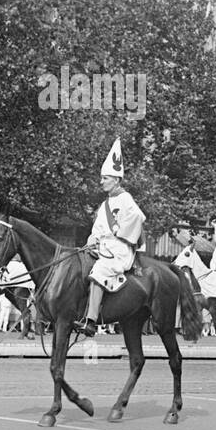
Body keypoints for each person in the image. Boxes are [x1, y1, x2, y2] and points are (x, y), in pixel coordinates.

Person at [77, 139, 146, 339]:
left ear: (116, 180)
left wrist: (119, 230)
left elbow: (137, 218)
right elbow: (97, 228)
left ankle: (91, 321)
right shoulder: (104, 204)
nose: (101, 182)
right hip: (103, 247)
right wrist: (92, 238)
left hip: (120, 250)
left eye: (105, 178)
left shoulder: (126, 199)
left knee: (99, 270)